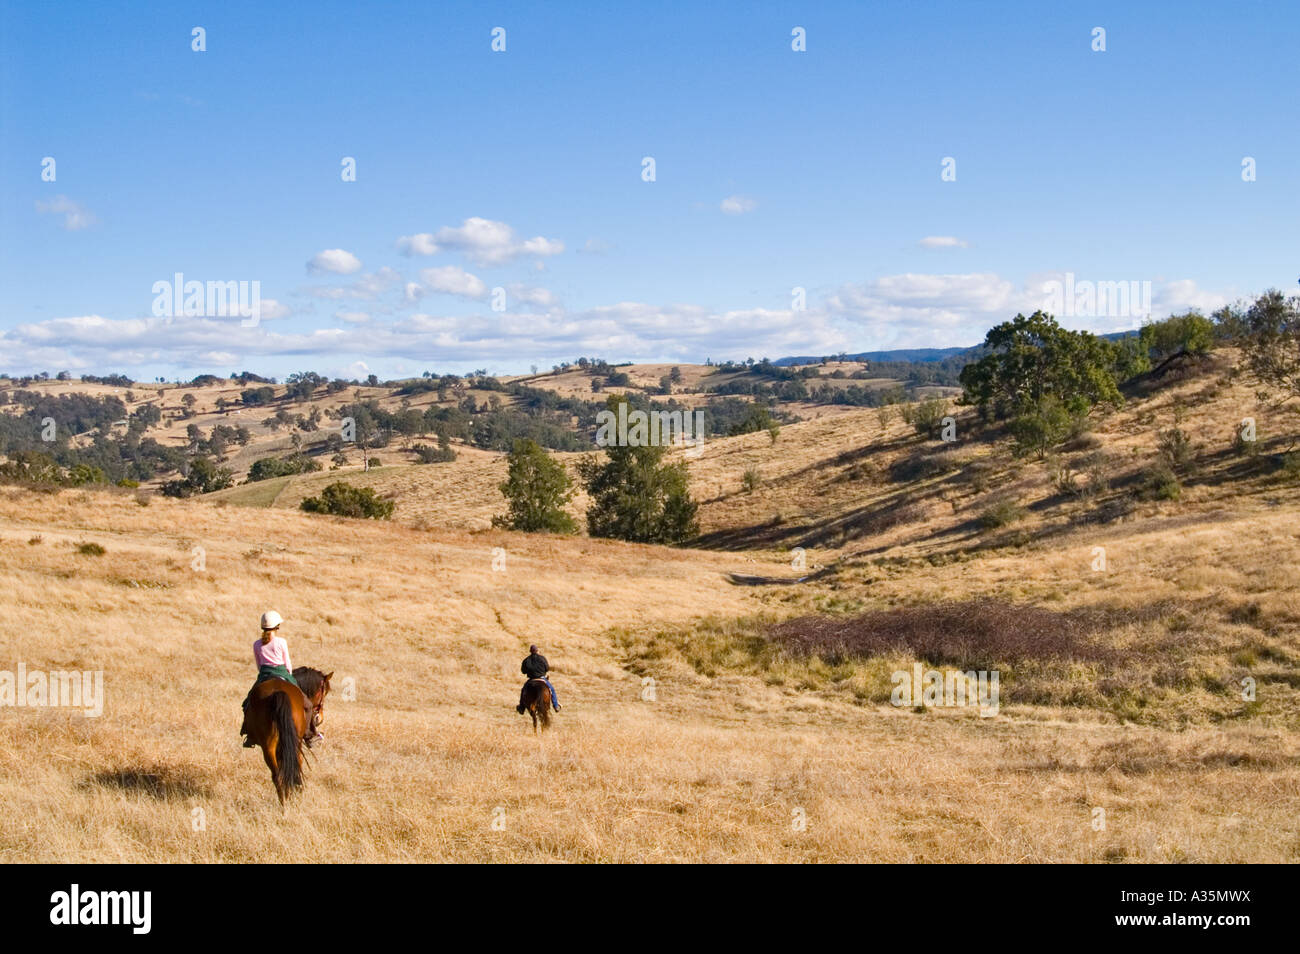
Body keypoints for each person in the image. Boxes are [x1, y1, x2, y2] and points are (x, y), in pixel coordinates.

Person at [241, 610, 311, 747]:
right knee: (307, 704)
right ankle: (308, 734)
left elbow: (259, 665)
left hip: (264, 675)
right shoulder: (281, 642)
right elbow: (288, 663)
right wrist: (288, 676)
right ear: (277, 626)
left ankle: (249, 734)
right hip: (282, 673)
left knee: (247, 703)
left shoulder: (256, 644)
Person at [517, 644, 560, 713]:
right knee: (552, 690)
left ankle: (521, 707)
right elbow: (547, 668)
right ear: (537, 651)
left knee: (523, 690)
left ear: (530, 651)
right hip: (542, 678)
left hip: (531, 679)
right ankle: (555, 705)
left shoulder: (526, 660)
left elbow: (523, 671)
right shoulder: (542, 658)